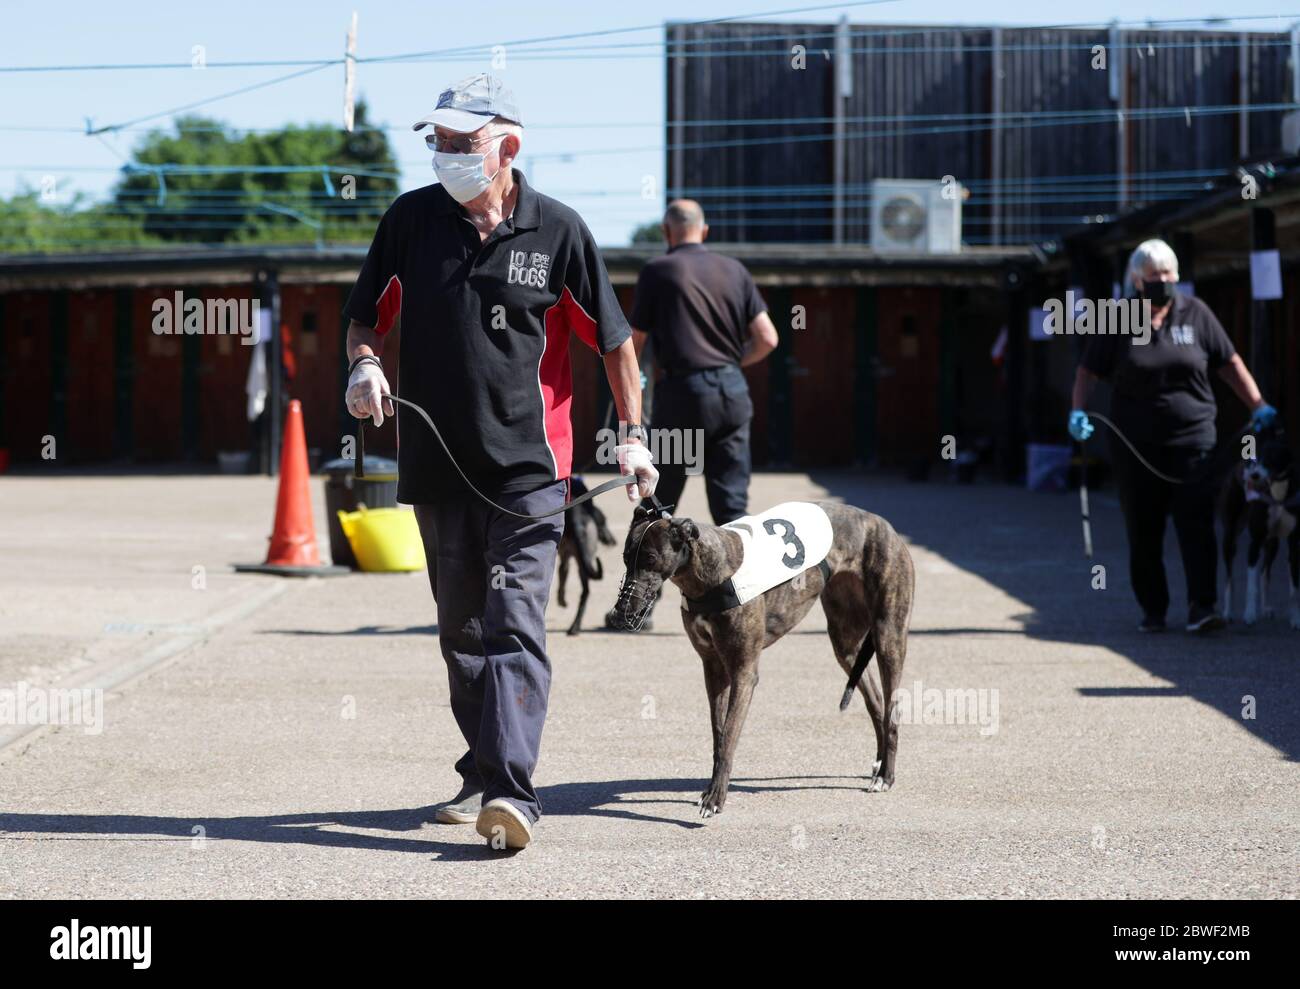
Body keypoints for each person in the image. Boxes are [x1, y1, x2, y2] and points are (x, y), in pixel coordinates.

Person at [343, 73, 657, 850]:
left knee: (516, 622)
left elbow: (614, 341)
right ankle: (483, 767)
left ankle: (513, 792)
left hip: (530, 473)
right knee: (463, 633)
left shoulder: (559, 231)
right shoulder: (410, 222)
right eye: (437, 141)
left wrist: (634, 432)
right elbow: (362, 318)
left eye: (462, 142)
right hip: (436, 468)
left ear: (507, 145)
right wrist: (362, 365)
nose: (444, 154)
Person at [1070, 238, 1278, 634]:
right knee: (1143, 527)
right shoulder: (1117, 318)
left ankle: (1203, 606)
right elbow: (1087, 371)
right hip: (1135, 444)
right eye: (1153, 275)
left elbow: (1229, 362)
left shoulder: (1196, 313)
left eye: (1167, 273)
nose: (1161, 280)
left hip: (1192, 439)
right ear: (1136, 279)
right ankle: (1154, 609)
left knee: (1196, 522)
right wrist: (1077, 411)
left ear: (1177, 275)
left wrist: (1258, 405)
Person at [604, 199, 778, 631]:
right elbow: (769, 338)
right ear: (705, 230)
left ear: (667, 232)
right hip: (732, 393)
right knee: (734, 509)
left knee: (656, 505)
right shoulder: (735, 271)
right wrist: (732, 363)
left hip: (684, 395)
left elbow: (634, 343)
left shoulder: (658, 272)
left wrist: (627, 397)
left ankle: (635, 612)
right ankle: (744, 609)